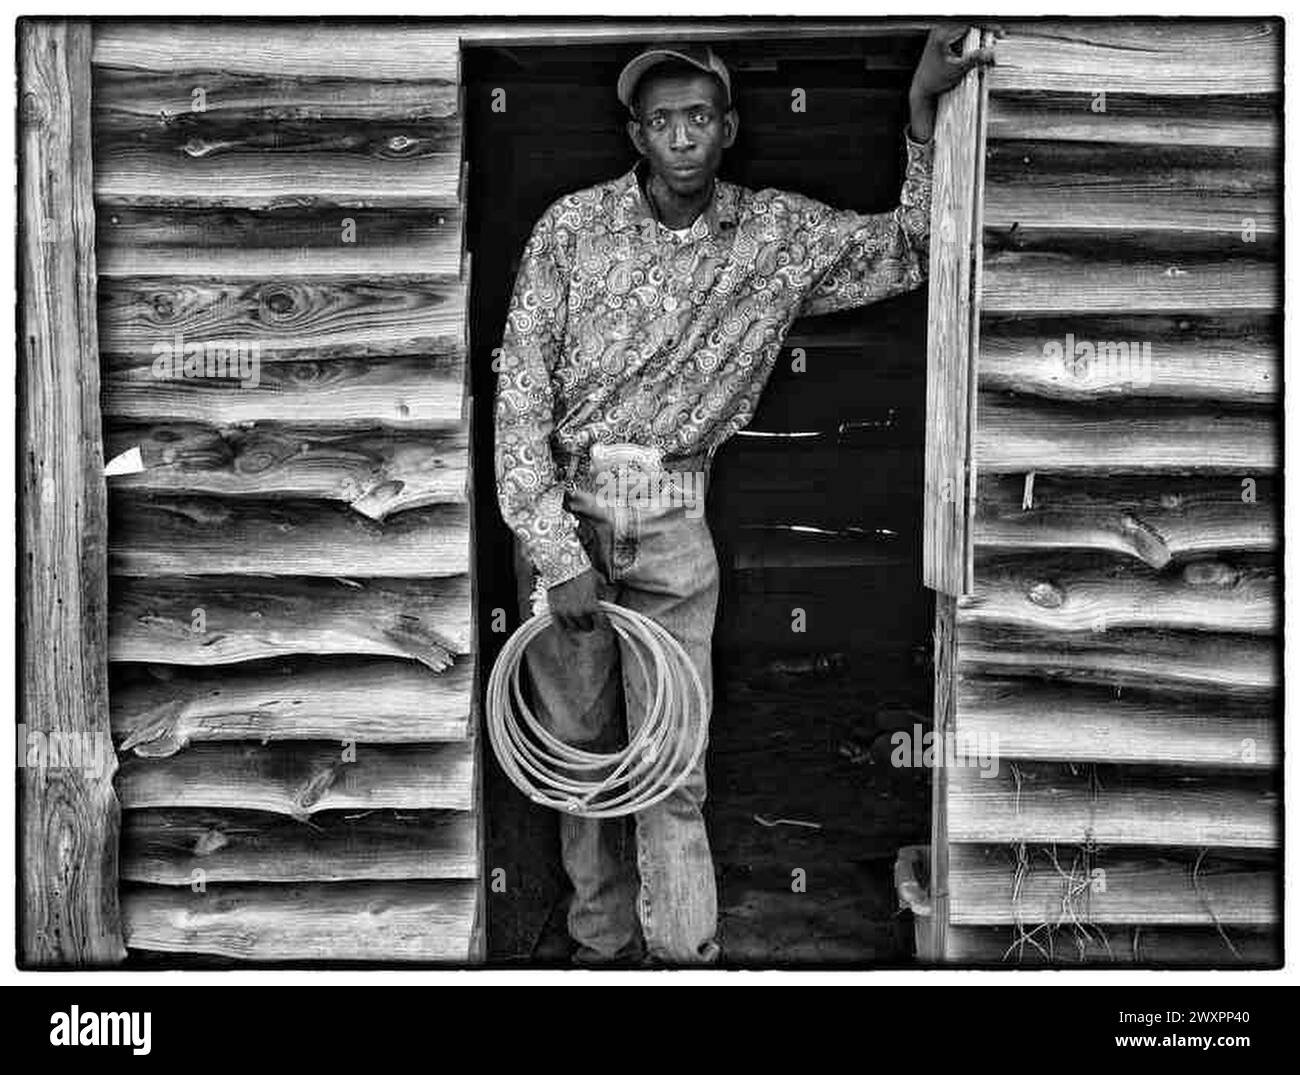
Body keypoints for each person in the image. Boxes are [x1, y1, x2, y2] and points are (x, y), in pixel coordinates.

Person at [494, 26, 996, 965]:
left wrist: (923, 110)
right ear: (636, 137)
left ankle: (680, 950)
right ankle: (599, 944)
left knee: (672, 752)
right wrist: (558, 556)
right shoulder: (569, 231)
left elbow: (913, 245)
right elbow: (517, 398)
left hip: (675, 513)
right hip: (565, 506)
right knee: (577, 752)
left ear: (727, 127)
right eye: (660, 121)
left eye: (697, 117)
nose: (680, 135)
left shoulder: (772, 235)